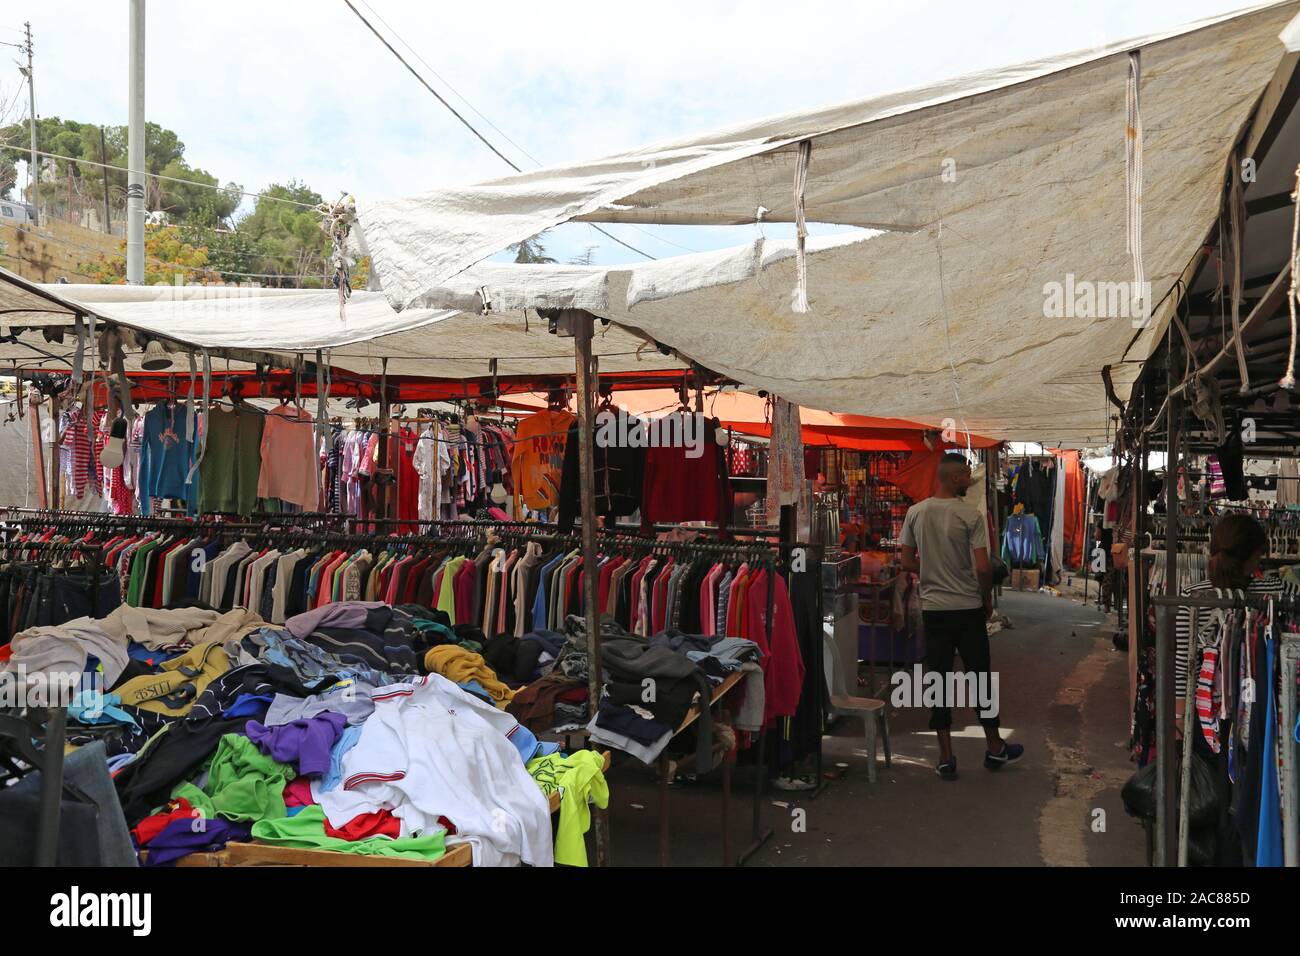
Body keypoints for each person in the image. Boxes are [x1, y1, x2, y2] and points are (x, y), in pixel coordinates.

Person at [899, 453, 1023, 780]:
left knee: (938, 680)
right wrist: (984, 598)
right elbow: (983, 567)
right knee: (979, 677)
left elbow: (907, 561)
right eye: (966, 474)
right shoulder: (970, 515)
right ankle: (995, 747)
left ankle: (945, 756)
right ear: (954, 478)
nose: (970, 479)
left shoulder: (915, 513)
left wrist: (933, 571)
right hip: (967, 609)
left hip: (934, 611)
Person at [1173, 512, 1295, 732]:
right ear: (1251, 557)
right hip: (1265, 710)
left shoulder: (1192, 597)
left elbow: (1184, 665)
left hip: (1207, 714)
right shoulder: (1280, 591)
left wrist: (1180, 719)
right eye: (1259, 555)